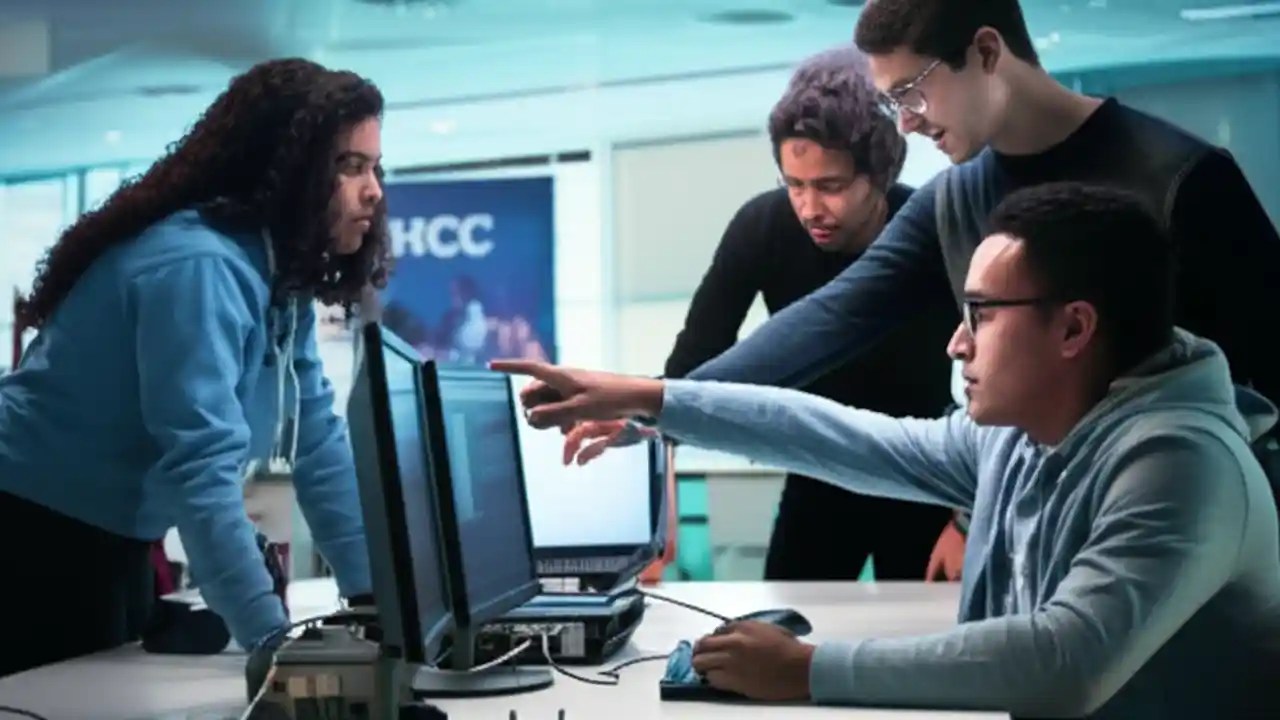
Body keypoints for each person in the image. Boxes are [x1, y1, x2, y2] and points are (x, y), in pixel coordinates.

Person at [495, 183, 1280, 719]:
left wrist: (807, 671)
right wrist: (655, 400)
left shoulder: (1183, 464)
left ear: (1074, 328)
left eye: (981, 313)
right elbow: (847, 436)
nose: (957, 341)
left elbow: (1064, 662)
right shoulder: (1029, 432)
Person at [552, 0, 1280, 575]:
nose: (904, 121)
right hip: (1027, 540)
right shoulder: (954, 199)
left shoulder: (1186, 180)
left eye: (910, 91)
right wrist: (655, 407)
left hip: (1187, 539)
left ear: (986, 53)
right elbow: (826, 321)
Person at [0, 58, 386, 677]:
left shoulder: (275, 275)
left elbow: (318, 441)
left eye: (374, 166)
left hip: (108, 532)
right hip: (29, 527)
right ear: (284, 171)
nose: (374, 191)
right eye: (350, 166)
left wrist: (376, 610)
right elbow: (201, 474)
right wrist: (277, 652)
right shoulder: (199, 268)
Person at [655, 46, 955, 581]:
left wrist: (966, 517)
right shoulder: (763, 228)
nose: (810, 208)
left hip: (924, 480)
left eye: (831, 187)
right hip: (818, 475)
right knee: (780, 632)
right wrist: (660, 502)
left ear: (880, 174)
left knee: (930, 639)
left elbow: (1002, 388)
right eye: (794, 184)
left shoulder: (932, 226)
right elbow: (690, 370)